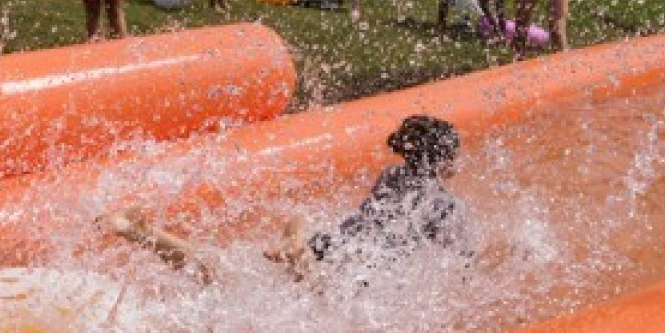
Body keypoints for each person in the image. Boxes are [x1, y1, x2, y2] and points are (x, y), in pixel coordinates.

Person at [107, 115, 469, 284]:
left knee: (220, 269)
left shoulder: (391, 175)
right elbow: (459, 262)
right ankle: (298, 252)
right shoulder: (443, 205)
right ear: (447, 160)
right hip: (359, 267)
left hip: (331, 244)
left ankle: (134, 229)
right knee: (314, 293)